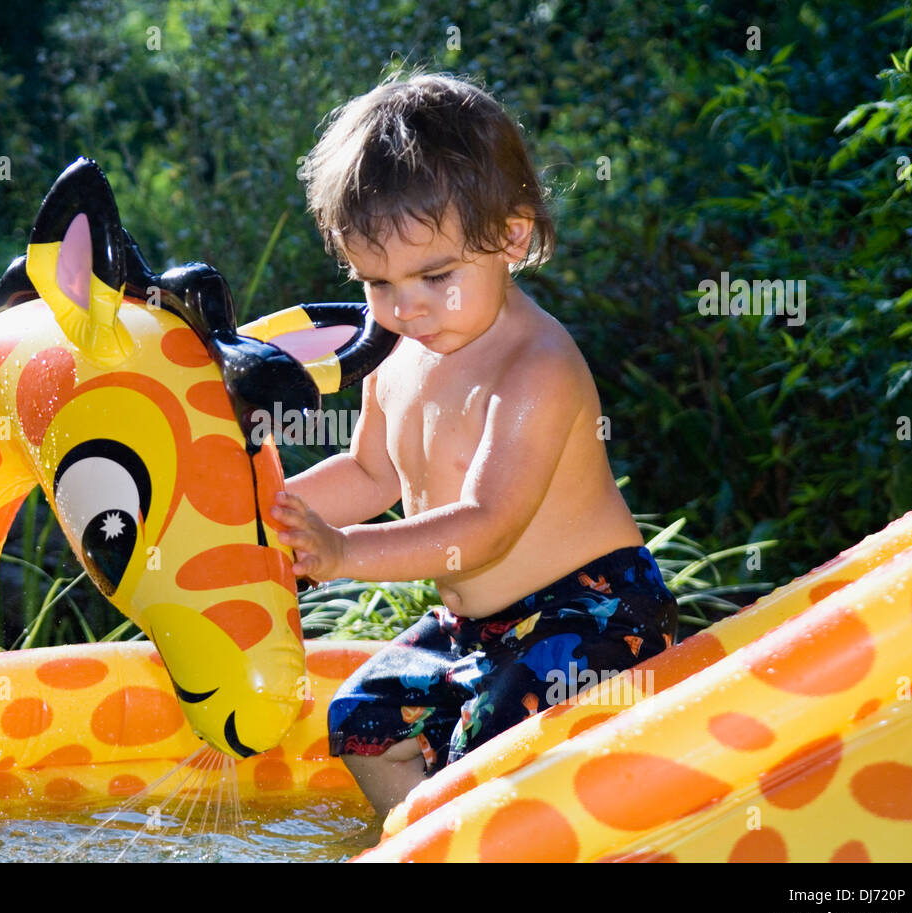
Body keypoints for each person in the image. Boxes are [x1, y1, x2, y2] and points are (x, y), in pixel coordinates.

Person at [269, 71, 678, 819]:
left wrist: (343, 554)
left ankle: (486, 835)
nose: (405, 306)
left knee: (485, 746)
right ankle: (429, 843)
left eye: (435, 275)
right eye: (377, 282)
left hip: (595, 615)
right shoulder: (394, 348)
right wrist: (268, 515)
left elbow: (485, 526)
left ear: (511, 236)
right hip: (480, 626)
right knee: (359, 721)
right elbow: (370, 471)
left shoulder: (536, 368)